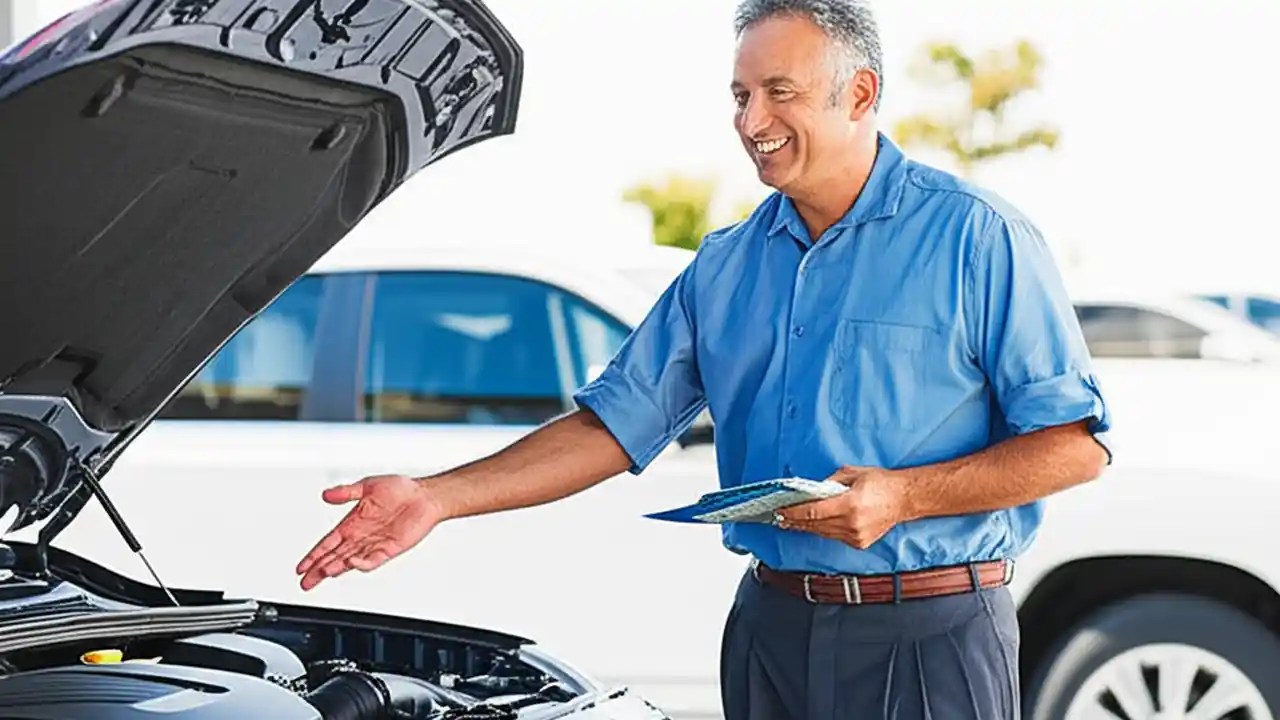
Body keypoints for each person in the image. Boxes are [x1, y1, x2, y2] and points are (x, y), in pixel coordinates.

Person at [295, 0, 1112, 716]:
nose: (751, 121)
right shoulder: (724, 265)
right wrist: (438, 498)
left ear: (860, 94)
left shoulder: (977, 237)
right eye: (740, 94)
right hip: (769, 629)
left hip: (929, 635)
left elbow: (1074, 447)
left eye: (778, 93)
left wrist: (904, 495)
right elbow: (613, 425)